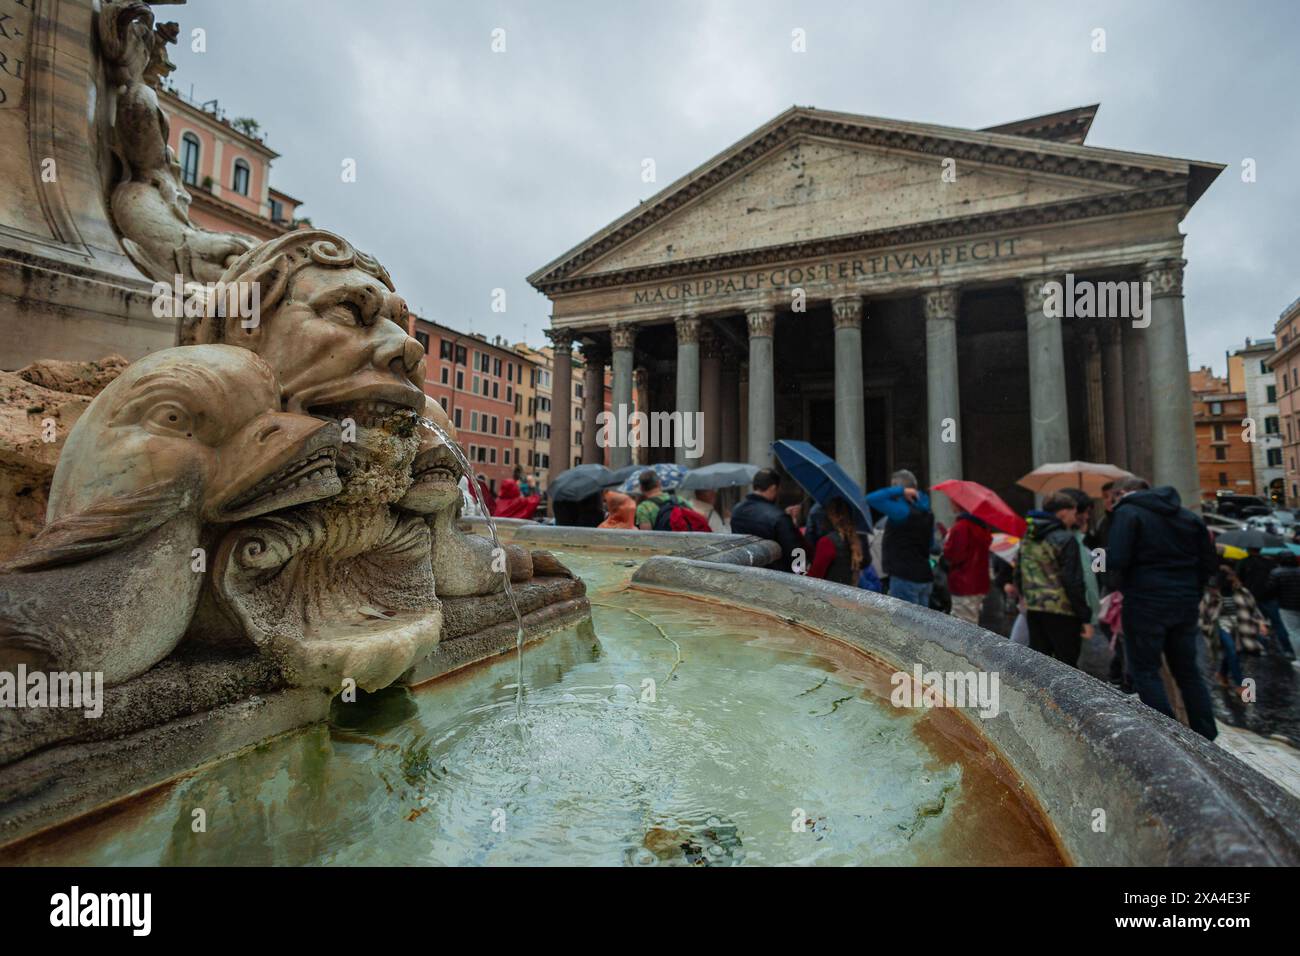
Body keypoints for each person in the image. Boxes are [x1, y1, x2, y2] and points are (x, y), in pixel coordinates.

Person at [1106, 476, 1219, 741]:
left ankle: (1167, 737)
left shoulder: (1128, 513)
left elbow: (1118, 559)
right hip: (1184, 602)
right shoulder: (1188, 517)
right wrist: (1192, 591)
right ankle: (1206, 733)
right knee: (1187, 671)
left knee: (1145, 670)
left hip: (1145, 601)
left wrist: (1118, 583)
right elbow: (1209, 563)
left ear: (1122, 493)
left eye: (1113, 497)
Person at [1015, 492, 1092, 665]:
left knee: (1040, 663)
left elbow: (1018, 571)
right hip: (1062, 611)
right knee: (1067, 664)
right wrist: (1085, 617)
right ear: (1063, 513)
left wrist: (1024, 596)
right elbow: (1073, 581)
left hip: (1035, 608)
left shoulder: (1028, 536)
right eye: (1073, 513)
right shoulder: (1065, 539)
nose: (1074, 518)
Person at [866, 470, 935, 607]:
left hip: (904, 577)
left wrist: (899, 491)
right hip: (925, 577)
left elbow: (870, 499)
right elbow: (931, 544)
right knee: (923, 626)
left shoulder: (901, 511)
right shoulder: (927, 510)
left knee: (905, 626)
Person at [729, 468, 806, 572]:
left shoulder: (737, 510)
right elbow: (795, 553)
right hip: (775, 577)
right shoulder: (779, 518)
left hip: (744, 572)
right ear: (773, 488)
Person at [1198, 566, 1261, 693]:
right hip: (1220, 625)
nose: (1231, 579)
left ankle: (1222, 674)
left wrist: (1260, 622)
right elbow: (1204, 612)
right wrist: (1206, 626)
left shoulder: (1241, 591)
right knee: (1232, 650)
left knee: (1235, 652)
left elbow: (1252, 606)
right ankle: (1240, 685)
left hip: (1240, 626)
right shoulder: (1213, 594)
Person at [1238, 548, 1296, 659]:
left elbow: (1239, 579)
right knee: (1278, 624)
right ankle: (1288, 649)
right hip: (1270, 599)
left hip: (1252, 598)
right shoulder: (1270, 563)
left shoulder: (1244, 562)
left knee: (1255, 623)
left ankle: (1261, 648)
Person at [943, 511, 992, 625]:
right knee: (971, 621)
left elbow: (955, 555)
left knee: (962, 625)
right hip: (978, 582)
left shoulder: (962, 526)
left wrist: (947, 543)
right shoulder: (981, 526)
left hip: (963, 582)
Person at [809, 497, 866, 586]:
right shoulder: (855, 540)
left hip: (829, 596)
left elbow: (814, 576)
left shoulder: (827, 542)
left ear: (831, 516)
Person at [1269, 553, 1300, 658]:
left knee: (1293, 631)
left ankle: (1298, 657)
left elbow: (1271, 590)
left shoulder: (1276, 573)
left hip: (1286, 606)